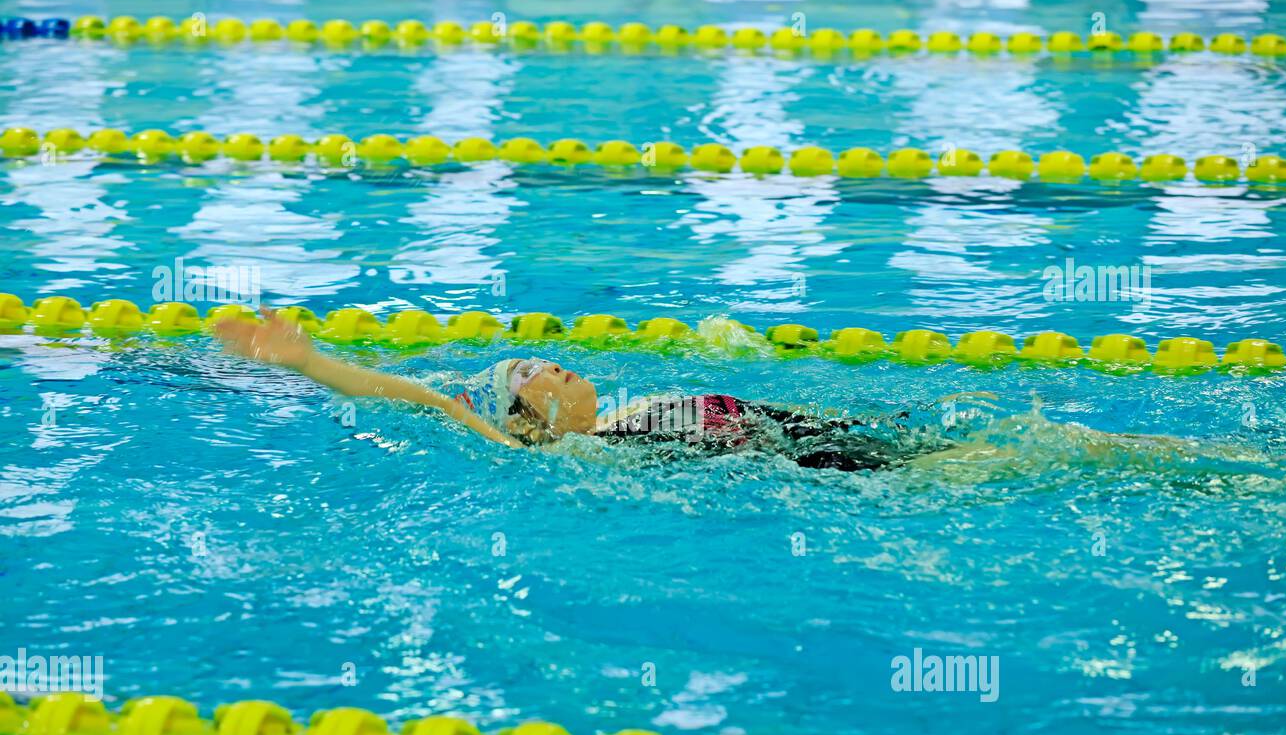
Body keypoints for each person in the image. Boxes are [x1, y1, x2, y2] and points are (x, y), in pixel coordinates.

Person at [214, 307, 966, 471]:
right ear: (528, 420)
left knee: (972, 447)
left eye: (543, 361)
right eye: (530, 377)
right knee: (974, 465)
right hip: (830, 472)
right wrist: (308, 363)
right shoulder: (557, 451)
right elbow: (422, 397)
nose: (550, 366)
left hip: (818, 433)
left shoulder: (636, 408)